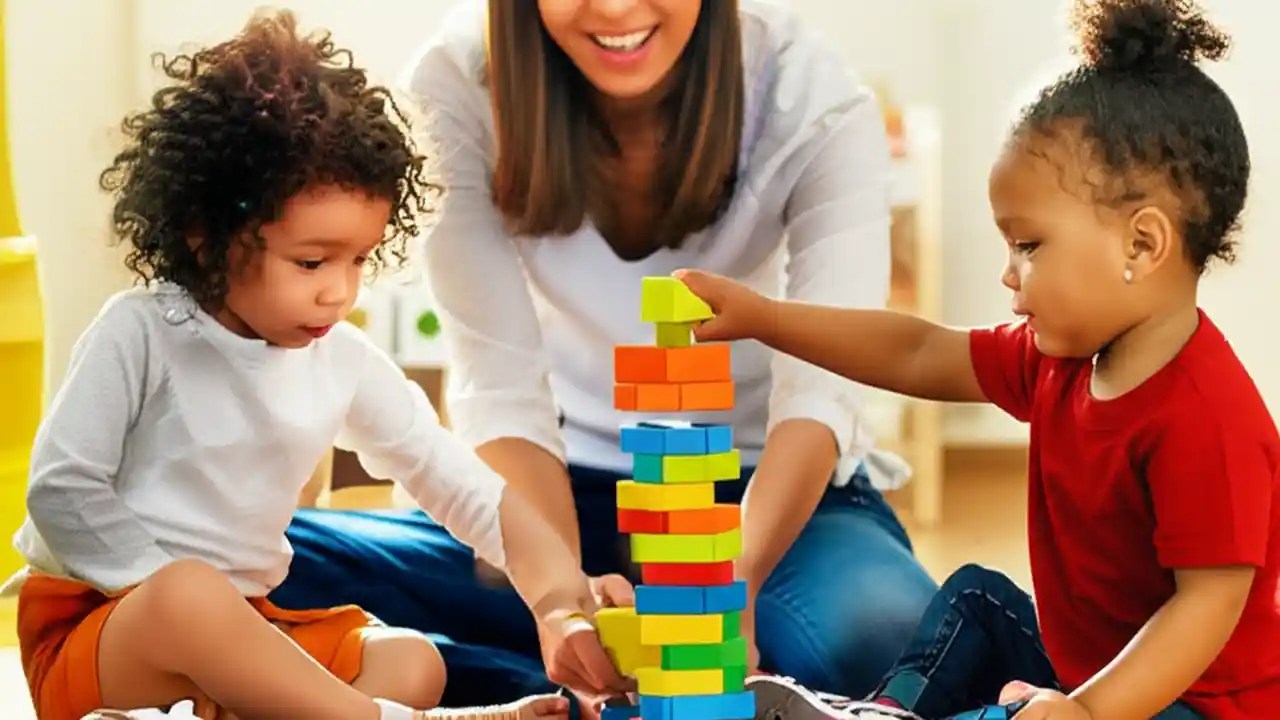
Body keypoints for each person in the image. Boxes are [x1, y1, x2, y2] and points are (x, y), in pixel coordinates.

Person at [270, 0, 939, 708]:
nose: (616, 7)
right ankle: (572, 686)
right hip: (552, 494)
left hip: (764, 495)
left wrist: (726, 580)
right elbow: (502, 392)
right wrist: (561, 600)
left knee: (887, 637)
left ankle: (546, 677)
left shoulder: (813, 97)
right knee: (252, 565)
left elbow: (821, 395)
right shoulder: (454, 86)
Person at [1, 10, 631, 720]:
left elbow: (455, 482)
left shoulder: (341, 359)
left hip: (248, 627)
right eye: (310, 262)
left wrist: (560, 597)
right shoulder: (141, 332)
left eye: (358, 259)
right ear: (208, 238)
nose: (339, 289)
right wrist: (175, 601)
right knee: (190, 594)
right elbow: (61, 490)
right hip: (107, 631)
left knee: (412, 659)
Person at [673, 0, 1280, 718]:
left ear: (1141, 246)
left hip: (1189, 704)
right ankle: (886, 713)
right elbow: (919, 349)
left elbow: (1206, 608)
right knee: (974, 597)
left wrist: (1087, 711)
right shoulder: (1059, 361)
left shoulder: (1207, 419)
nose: (1008, 272)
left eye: (1028, 246)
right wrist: (766, 318)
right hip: (1081, 671)